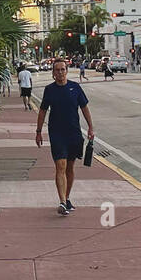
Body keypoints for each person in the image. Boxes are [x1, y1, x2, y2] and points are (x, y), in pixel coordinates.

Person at [36, 58, 95, 215]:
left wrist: (90, 127)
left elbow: (84, 108)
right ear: (53, 73)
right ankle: (62, 201)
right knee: (60, 165)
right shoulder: (49, 90)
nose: (60, 73)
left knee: (70, 167)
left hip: (74, 133)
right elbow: (42, 111)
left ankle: (67, 198)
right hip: (57, 133)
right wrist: (38, 131)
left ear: (67, 71)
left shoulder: (75, 88)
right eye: (57, 70)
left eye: (63, 69)